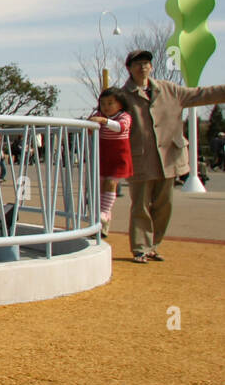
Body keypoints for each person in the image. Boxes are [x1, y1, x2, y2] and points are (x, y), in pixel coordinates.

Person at [122, 49, 225, 263]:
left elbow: (201, 94)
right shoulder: (123, 96)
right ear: (129, 68)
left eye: (147, 63)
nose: (143, 67)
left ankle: (153, 245)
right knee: (140, 205)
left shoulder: (169, 90)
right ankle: (140, 247)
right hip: (140, 158)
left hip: (168, 156)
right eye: (138, 63)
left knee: (164, 204)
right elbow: (107, 113)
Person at [88, 87, 133, 238]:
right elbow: (89, 126)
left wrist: (104, 121)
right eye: (103, 103)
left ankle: (104, 213)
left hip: (119, 157)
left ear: (120, 104)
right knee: (100, 187)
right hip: (103, 155)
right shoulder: (99, 114)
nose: (106, 107)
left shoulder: (124, 116)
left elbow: (121, 128)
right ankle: (102, 222)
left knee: (111, 183)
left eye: (110, 103)